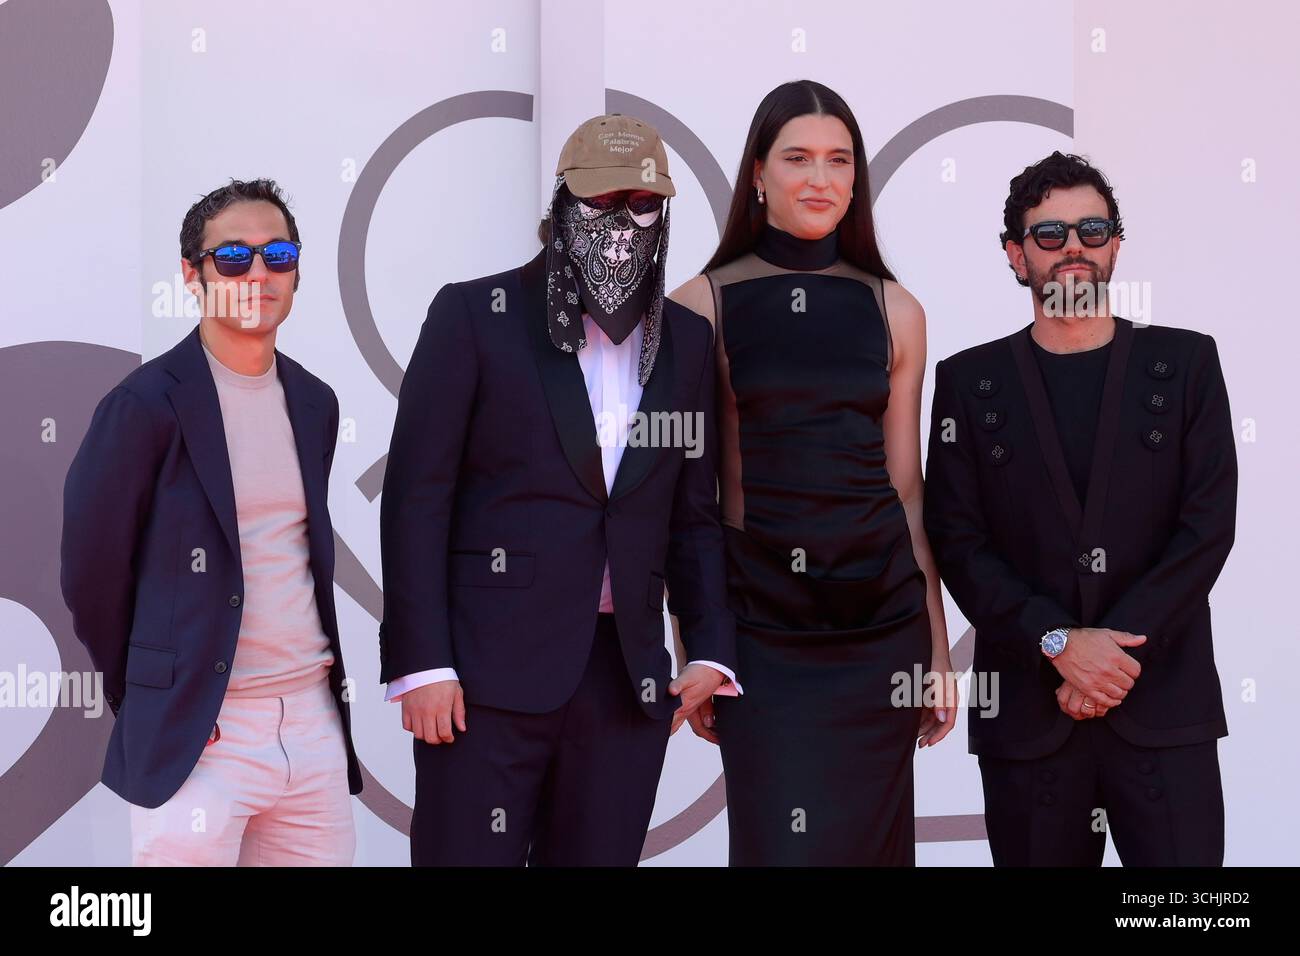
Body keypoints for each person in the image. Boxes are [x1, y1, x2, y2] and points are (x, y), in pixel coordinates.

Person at [380, 114, 738, 866]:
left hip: (625, 681)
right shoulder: (476, 316)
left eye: (644, 204)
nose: (623, 223)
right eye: (603, 203)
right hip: (483, 680)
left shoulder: (687, 342)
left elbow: (693, 515)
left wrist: (707, 647)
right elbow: (417, 498)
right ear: (562, 203)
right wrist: (423, 664)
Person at [670, 80, 957, 866]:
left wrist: (935, 651)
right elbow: (687, 502)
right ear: (758, 173)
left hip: (881, 632)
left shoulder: (896, 309)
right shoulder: (699, 305)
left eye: (839, 160)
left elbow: (906, 491)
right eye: (797, 158)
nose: (820, 179)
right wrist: (696, 642)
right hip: (764, 638)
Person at [923, 151, 1236, 865]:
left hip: (1164, 707)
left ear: (1116, 244)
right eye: (1050, 233)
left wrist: (1111, 655)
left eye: (1092, 230)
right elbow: (957, 540)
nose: (1073, 247)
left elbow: (1207, 528)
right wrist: (1060, 643)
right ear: (1015, 254)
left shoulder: (1187, 364)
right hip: (1028, 722)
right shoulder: (969, 383)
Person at [61, 178, 361, 865]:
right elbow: (90, 575)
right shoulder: (143, 408)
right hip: (202, 734)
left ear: (296, 271)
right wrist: (158, 689)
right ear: (192, 275)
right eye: (233, 258)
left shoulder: (314, 401)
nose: (258, 273)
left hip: (312, 726)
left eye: (277, 255)